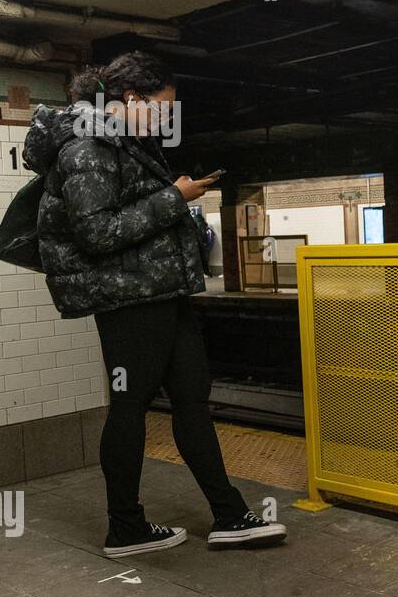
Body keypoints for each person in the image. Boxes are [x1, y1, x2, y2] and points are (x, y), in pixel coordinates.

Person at [23, 51, 286, 558]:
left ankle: (229, 516)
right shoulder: (87, 148)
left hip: (160, 290)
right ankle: (124, 526)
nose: (166, 120)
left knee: (192, 398)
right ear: (131, 98)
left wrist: (174, 197)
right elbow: (97, 232)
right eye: (160, 108)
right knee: (129, 407)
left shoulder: (123, 143)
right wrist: (175, 197)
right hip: (127, 298)